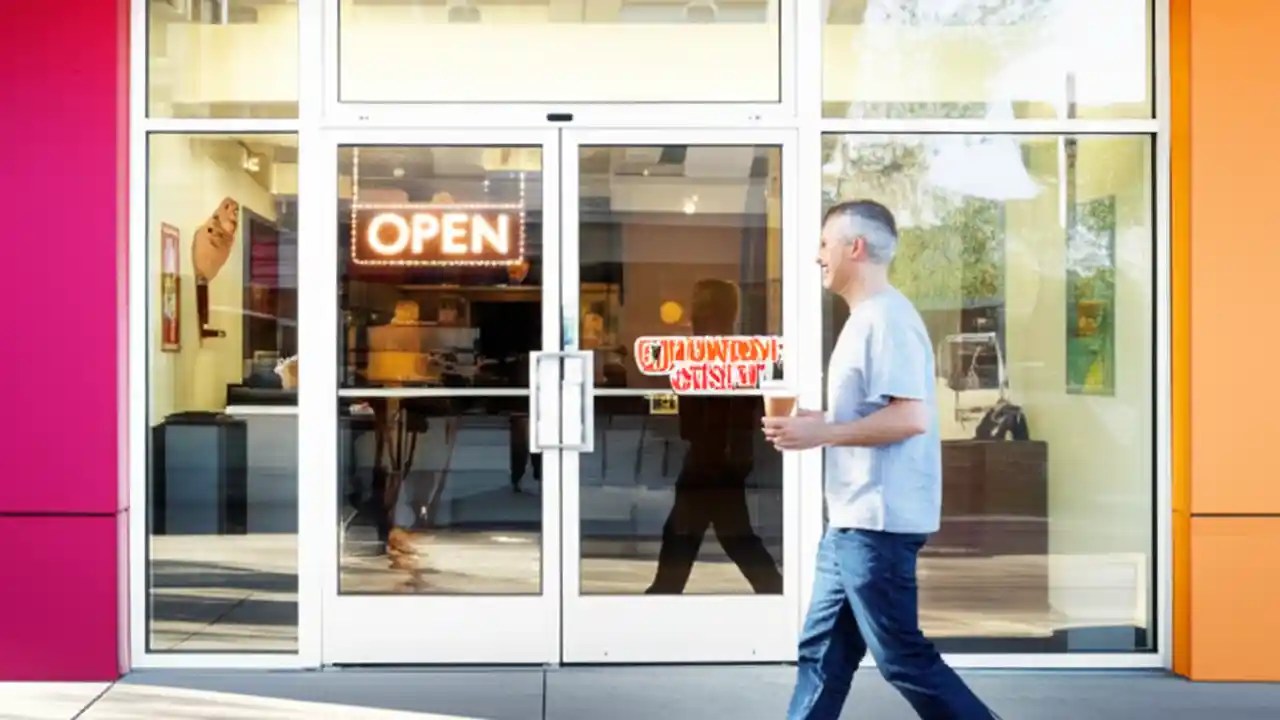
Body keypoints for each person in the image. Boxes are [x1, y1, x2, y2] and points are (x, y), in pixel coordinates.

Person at [763, 200, 999, 720]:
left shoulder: (887, 320)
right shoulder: (866, 319)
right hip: (852, 521)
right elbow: (877, 410)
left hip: (877, 525)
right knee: (822, 654)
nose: (817, 256)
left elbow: (910, 419)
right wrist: (817, 420)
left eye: (825, 244)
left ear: (856, 247)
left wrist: (821, 432)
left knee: (902, 658)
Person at [646, 279, 783, 595]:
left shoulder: (713, 349)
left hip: (714, 454)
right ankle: (773, 590)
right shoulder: (729, 349)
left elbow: (719, 408)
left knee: (689, 532)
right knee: (727, 533)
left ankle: (663, 593)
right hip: (721, 452)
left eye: (698, 303)